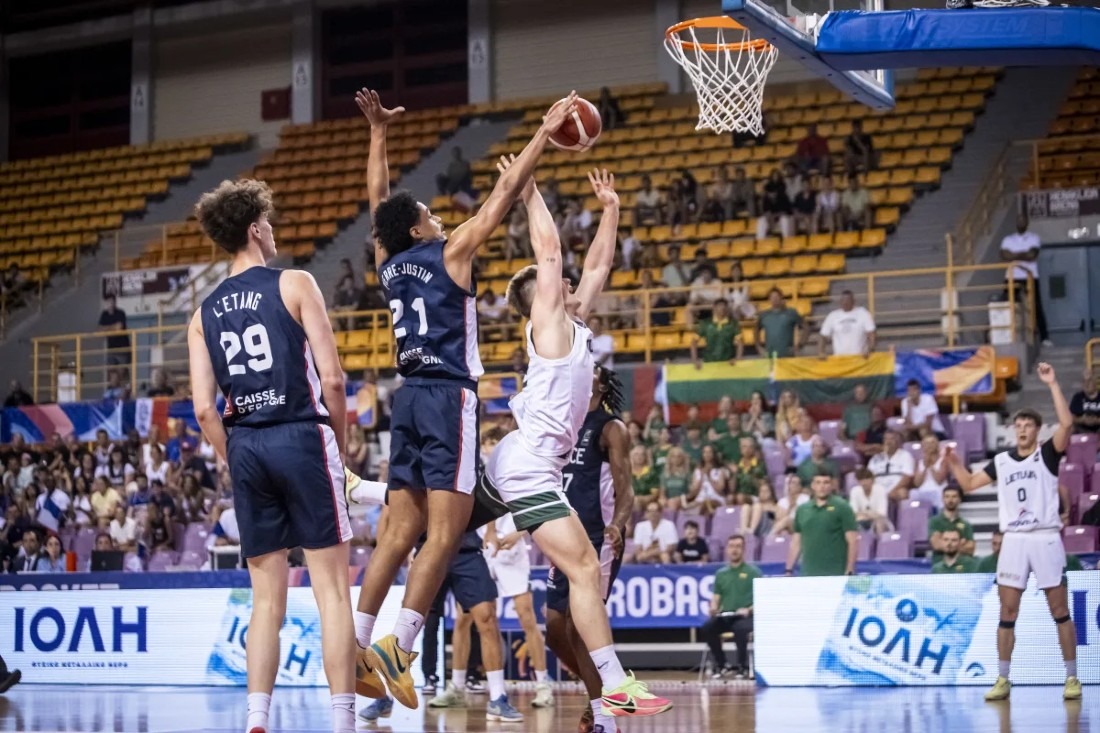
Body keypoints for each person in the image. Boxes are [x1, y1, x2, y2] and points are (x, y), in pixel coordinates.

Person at [347, 89, 576, 712]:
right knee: (445, 534)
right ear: (417, 229)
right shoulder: (449, 254)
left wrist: (377, 134)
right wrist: (543, 132)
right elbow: (503, 195)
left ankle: (357, 644)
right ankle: (398, 648)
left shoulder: (389, 261)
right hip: (449, 397)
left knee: (398, 532)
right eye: (429, 213)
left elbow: (377, 203)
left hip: (406, 399)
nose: (438, 218)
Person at [487, 163, 671, 730]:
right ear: (542, 297)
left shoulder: (574, 326)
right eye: (558, 283)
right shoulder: (547, 323)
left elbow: (596, 267)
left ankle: (366, 492)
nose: (569, 284)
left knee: (444, 525)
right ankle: (615, 688)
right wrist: (528, 190)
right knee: (585, 571)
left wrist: (611, 209)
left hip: (528, 460)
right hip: (530, 464)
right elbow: (549, 250)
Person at [186, 178, 359, 733]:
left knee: (265, 602)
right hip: (301, 435)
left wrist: (233, 456)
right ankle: (343, 721)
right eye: (271, 223)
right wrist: (339, 448)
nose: (275, 231)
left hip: (246, 447)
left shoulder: (202, 314)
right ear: (256, 228)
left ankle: (256, 719)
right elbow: (333, 380)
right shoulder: (295, 282)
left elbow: (204, 411)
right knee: (332, 593)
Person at [944, 363, 1079, 701]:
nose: (1021, 430)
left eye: (1027, 425)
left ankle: (1072, 677)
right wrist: (955, 464)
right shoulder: (1002, 461)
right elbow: (969, 484)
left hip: (1045, 536)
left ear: (1037, 430)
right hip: (1014, 540)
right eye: (1018, 425)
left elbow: (1066, 423)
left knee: (1059, 611)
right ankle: (1003, 678)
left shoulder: (1047, 454)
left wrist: (1052, 383)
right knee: (1007, 612)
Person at [551, 366, 634, 733]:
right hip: (562, 533)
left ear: (599, 387)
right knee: (555, 629)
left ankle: (605, 714)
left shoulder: (611, 428)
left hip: (598, 536)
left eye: (592, 370)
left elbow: (626, 489)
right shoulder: (562, 425)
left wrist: (618, 523)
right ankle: (599, 690)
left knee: (578, 623)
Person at [420, 529, 521, 721]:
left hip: (466, 548)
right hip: (429, 548)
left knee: (486, 616)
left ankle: (497, 697)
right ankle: (386, 694)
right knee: (419, 619)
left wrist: (490, 529)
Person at [481, 512, 554, 708]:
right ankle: (488, 688)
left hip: (512, 546)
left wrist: (519, 532)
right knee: (482, 618)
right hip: (483, 546)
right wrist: (488, 530)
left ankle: (543, 683)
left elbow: (533, 508)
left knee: (527, 617)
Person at [701, 536, 760, 679]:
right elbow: (716, 597)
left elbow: (761, 598)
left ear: (743, 549)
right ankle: (722, 664)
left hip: (746, 616)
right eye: (732, 546)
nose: (735, 550)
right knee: (708, 627)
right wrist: (713, 608)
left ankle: (742, 666)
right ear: (727, 549)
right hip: (727, 615)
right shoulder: (721, 574)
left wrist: (749, 610)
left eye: (738, 546)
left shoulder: (753, 572)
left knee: (740, 629)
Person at [785, 471, 859, 577]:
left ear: (831, 485)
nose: (822, 486)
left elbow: (853, 541)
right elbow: (796, 541)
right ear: (812, 485)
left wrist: (850, 569)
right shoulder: (802, 510)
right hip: (808, 573)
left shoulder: (842, 507)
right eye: (818, 482)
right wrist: (788, 569)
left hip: (836, 573)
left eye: (826, 482)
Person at [1000, 213, 1050, 346]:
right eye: (1019, 220)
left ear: (1027, 223)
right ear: (1016, 223)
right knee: (1007, 305)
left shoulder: (1034, 238)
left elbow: (1032, 255)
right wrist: (1024, 254)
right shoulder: (1008, 239)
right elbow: (1004, 256)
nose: (1020, 223)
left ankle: (1044, 338)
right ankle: (1005, 336)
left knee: (1036, 306)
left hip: (1030, 276)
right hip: (1012, 276)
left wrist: (1014, 255)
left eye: (1023, 221)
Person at [818, 290, 876, 358]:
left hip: (859, 359)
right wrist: (821, 351)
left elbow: (871, 333)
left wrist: (870, 348)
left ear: (853, 301)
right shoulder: (832, 316)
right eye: (843, 301)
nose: (845, 303)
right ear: (840, 302)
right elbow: (823, 336)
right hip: (840, 359)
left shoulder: (863, 313)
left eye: (848, 300)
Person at [690, 298, 743, 369]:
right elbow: (694, 342)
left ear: (727, 309)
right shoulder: (705, 323)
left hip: (727, 363)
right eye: (720, 307)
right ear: (714, 308)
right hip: (709, 362)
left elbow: (740, 342)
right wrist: (695, 360)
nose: (722, 310)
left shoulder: (733, 324)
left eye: (724, 308)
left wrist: (738, 358)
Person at [756, 287, 805, 359]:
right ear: (769, 299)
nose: (774, 299)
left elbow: (806, 327)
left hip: (787, 356)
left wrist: (800, 345)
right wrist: (758, 347)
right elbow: (756, 329)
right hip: (770, 356)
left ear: (781, 297)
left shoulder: (791, 313)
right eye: (772, 297)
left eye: (776, 297)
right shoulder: (764, 315)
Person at [849, 467, 891, 534]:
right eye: (861, 480)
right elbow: (853, 513)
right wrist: (868, 514)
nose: (864, 483)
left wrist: (864, 514)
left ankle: (880, 539)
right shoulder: (855, 491)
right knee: (853, 523)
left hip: (879, 521)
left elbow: (882, 513)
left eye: (866, 479)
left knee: (879, 522)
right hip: (861, 520)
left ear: (872, 480)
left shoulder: (880, 490)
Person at [911, 435, 948, 509]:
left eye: (932, 443)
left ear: (937, 445)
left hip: (938, 489)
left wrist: (931, 466)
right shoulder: (919, 462)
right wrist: (925, 467)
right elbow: (917, 483)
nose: (929, 445)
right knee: (913, 493)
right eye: (927, 443)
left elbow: (939, 480)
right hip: (923, 490)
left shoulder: (943, 460)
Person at [98, 294, 131, 366]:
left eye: (112, 301)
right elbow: (100, 329)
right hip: (111, 348)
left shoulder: (120, 313)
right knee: (111, 371)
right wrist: (113, 327)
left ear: (115, 302)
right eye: (108, 302)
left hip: (122, 348)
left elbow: (119, 328)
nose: (110, 304)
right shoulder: (104, 314)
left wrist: (106, 329)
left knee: (121, 371)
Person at [1069, 368, 1100, 434]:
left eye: (1089, 380)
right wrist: (1081, 420)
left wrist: (1097, 420)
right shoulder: (1078, 397)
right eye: (1084, 381)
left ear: (1095, 381)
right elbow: (1070, 417)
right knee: (1069, 428)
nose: (1086, 384)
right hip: (1082, 430)